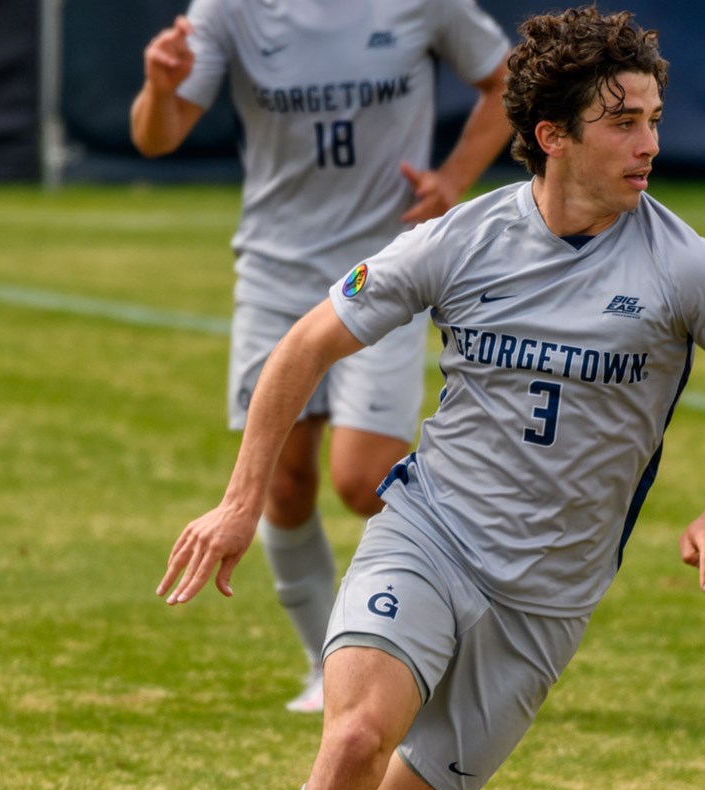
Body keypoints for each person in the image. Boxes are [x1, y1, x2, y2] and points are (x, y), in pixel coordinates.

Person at [158, 8, 705, 790]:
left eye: (651, 119)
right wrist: (237, 502)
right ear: (553, 133)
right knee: (352, 742)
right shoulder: (458, 238)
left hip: (545, 603)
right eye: (620, 122)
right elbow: (303, 347)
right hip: (429, 534)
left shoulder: (685, 269)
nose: (647, 141)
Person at [132, 0, 514, 713]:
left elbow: (506, 80)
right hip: (276, 274)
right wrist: (159, 86)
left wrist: (454, 179)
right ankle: (325, 667)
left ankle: (463, 613)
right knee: (280, 481)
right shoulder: (229, 12)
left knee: (363, 478)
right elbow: (158, 138)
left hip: (387, 267)